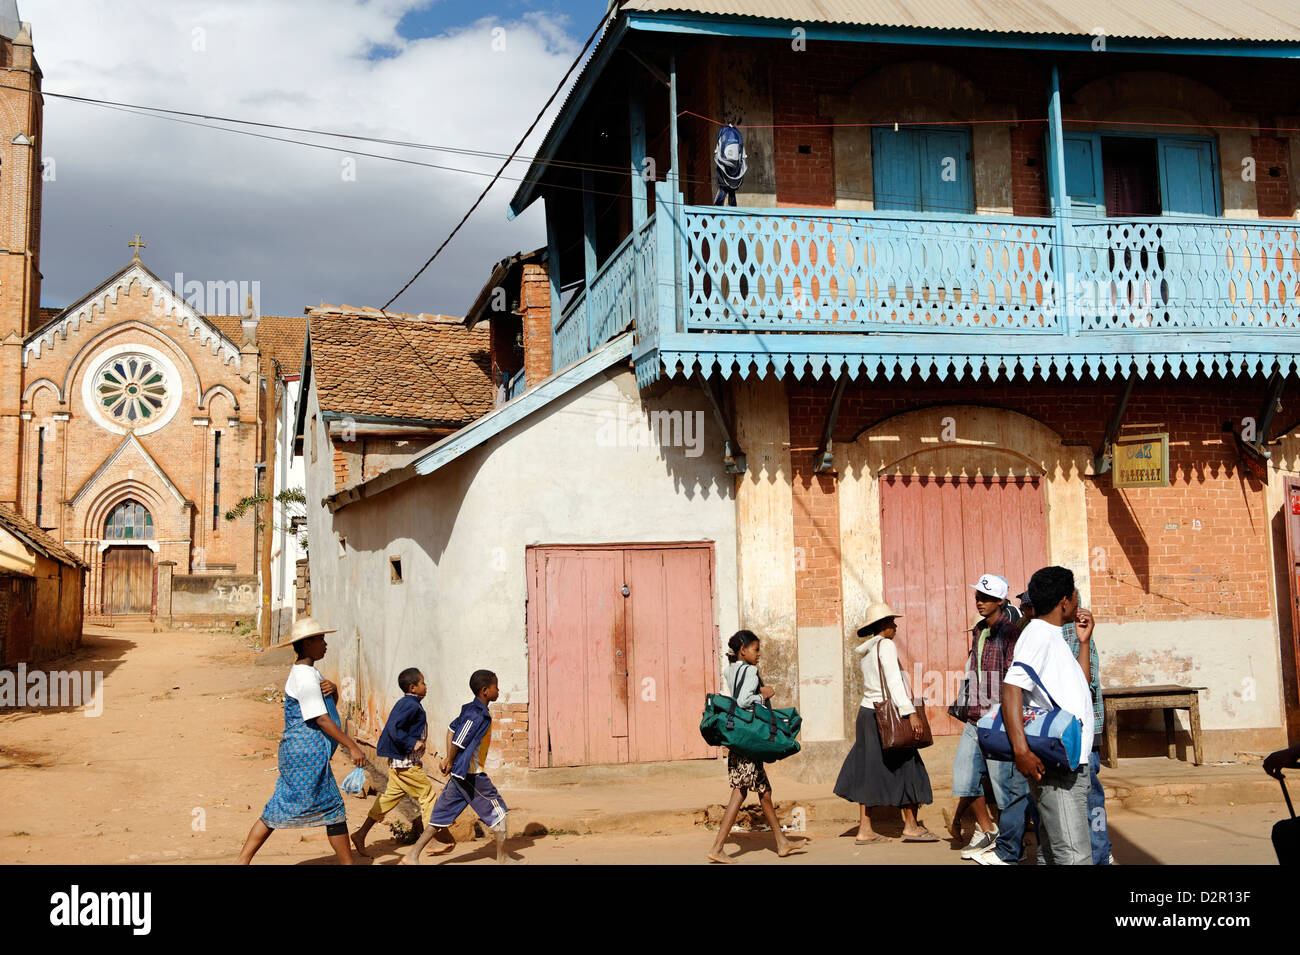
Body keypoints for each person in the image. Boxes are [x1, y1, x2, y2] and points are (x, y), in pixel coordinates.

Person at [236, 617, 368, 865]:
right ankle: (242, 860)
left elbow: (327, 708)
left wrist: (335, 690)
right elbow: (321, 719)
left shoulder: (310, 672)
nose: (325, 644)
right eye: (320, 640)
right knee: (283, 806)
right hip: (304, 756)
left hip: (311, 756)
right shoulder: (305, 676)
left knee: (332, 808)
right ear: (307, 644)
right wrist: (352, 746)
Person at [1000, 566, 1095, 865]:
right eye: (1075, 593)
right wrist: (1021, 751)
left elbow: (1077, 686)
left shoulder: (1053, 636)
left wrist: (1082, 642)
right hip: (1057, 765)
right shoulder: (1039, 635)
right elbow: (1011, 687)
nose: (1079, 599)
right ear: (1064, 601)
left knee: (1054, 852)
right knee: (1074, 855)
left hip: (1068, 760)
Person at [946, 573, 1033, 866]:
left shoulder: (1011, 633)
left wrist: (1006, 716)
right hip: (974, 718)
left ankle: (1013, 847)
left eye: (985, 598)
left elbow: (1013, 679)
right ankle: (988, 830)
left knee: (1004, 788)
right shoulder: (978, 630)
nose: (979, 602)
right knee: (964, 781)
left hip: (998, 720)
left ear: (1000, 601)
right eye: (977, 598)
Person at [833, 603, 937, 844]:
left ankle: (865, 829)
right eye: (891, 622)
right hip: (888, 716)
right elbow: (893, 683)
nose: (895, 626)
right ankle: (911, 825)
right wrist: (911, 713)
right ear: (882, 626)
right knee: (910, 766)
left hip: (868, 714)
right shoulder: (886, 646)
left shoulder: (867, 651)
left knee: (869, 770)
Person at [708, 630, 802, 863]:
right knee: (740, 792)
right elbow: (742, 702)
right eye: (756, 649)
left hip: (739, 738)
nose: (758, 654)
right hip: (750, 740)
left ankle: (781, 842)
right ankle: (717, 847)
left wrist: (755, 693)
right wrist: (764, 694)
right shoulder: (750, 670)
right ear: (743, 650)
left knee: (765, 793)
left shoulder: (730, 670)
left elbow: (737, 696)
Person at [403, 669, 510, 864]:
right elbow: (459, 740)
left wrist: (448, 760)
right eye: (496, 687)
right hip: (472, 775)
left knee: (439, 817)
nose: (498, 690)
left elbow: (451, 730)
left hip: (460, 776)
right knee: (500, 812)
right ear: (485, 690)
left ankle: (412, 855)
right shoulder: (478, 715)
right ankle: (503, 858)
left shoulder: (469, 709)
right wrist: (450, 760)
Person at [351, 667, 439, 857]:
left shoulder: (409, 703)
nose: (426, 686)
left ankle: (360, 833)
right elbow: (393, 728)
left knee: (388, 799)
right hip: (406, 764)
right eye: (423, 683)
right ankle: (430, 841)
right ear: (413, 687)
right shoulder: (411, 705)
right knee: (428, 796)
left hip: (400, 763)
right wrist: (411, 742)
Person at [1062, 608, 1113, 865]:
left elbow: (1085, 681)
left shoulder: (1076, 632)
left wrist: (1083, 641)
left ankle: (1101, 855)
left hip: (1084, 732)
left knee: (1090, 797)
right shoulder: (1040, 632)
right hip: (1059, 734)